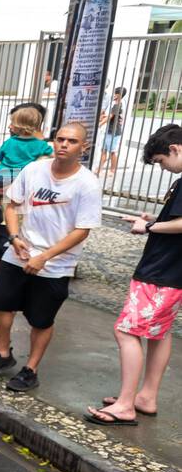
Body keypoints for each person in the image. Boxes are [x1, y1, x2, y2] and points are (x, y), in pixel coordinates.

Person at [0, 122, 102, 392]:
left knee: (41, 319)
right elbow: (12, 206)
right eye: (60, 139)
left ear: (84, 147)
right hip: (19, 252)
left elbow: (82, 231)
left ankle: (30, 369)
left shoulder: (87, 184)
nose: (64, 145)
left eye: (71, 141)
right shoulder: (34, 169)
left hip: (56, 264)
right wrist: (14, 237)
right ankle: (2, 354)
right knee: (0, 304)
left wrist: (45, 256)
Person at [86, 124, 182, 425]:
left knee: (126, 331)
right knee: (158, 333)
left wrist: (150, 227)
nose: (162, 168)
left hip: (161, 271)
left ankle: (126, 404)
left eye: (160, 161)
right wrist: (155, 218)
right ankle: (145, 396)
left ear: (175, 149)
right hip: (169, 270)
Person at [0, 105, 51, 343]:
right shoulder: (37, 147)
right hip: (1, 207)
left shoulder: (39, 152)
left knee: (7, 266)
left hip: (15, 213)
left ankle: (2, 324)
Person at [95, 86, 127, 183]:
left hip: (114, 132)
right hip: (109, 130)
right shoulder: (115, 104)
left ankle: (112, 170)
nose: (114, 95)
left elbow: (110, 116)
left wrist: (100, 124)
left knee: (112, 152)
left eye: (115, 93)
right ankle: (99, 169)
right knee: (104, 150)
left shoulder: (118, 105)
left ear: (119, 95)